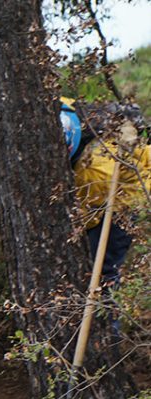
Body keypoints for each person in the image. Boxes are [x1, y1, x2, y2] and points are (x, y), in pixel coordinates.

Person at [63, 99, 150, 291]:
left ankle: (107, 305)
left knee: (104, 267)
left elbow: (90, 217)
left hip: (124, 201)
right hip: (130, 163)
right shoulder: (66, 109)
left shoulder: (93, 171)